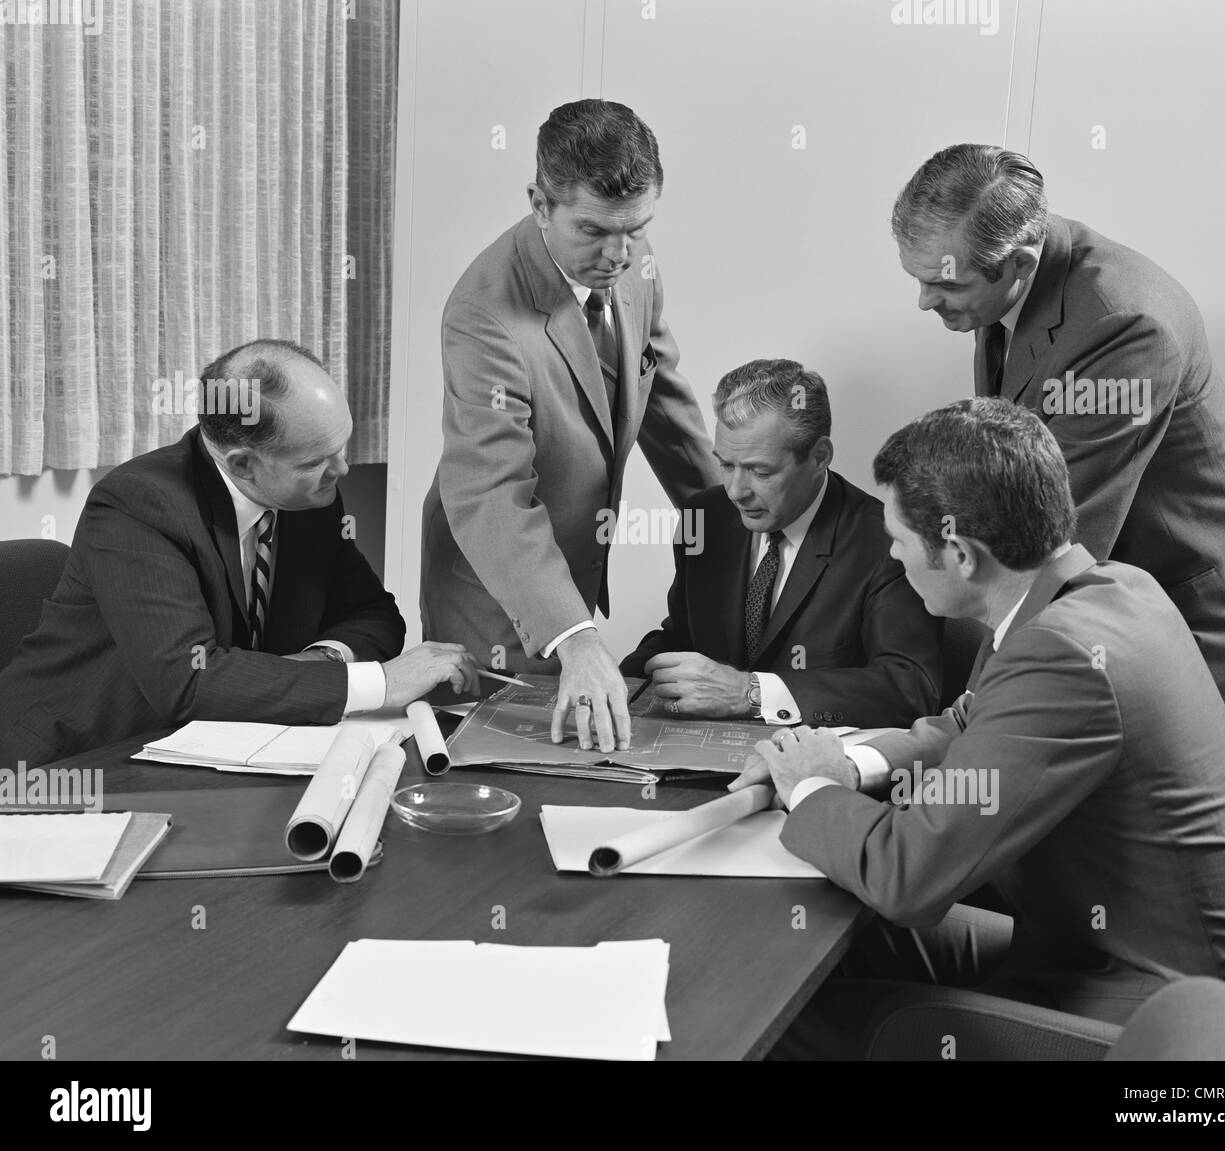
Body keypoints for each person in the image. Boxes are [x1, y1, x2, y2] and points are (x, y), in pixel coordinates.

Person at [732, 398, 1225, 1057]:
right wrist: (846, 765)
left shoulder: (1064, 659)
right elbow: (967, 722)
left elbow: (908, 876)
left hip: (1150, 1022)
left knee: (770, 1018)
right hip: (1099, 953)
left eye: (898, 542)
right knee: (820, 945)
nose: (891, 558)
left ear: (961, 554)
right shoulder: (1099, 591)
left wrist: (811, 791)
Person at [891, 143, 1225, 708]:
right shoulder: (1000, 270)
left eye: (947, 286)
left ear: (1020, 263)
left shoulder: (1125, 327)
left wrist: (975, 712)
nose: (924, 301)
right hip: (1111, 588)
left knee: (1106, 782)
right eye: (921, 278)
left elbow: (1052, 535)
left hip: (1191, 608)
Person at [0, 339, 478, 769]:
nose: (343, 468)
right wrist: (382, 683)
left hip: (211, 746)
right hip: (72, 761)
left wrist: (322, 661)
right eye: (316, 461)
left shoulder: (308, 498)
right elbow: (189, 681)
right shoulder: (139, 504)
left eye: (342, 446)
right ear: (243, 464)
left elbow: (375, 615)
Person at [421, 99, 718, 755]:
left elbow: (659, 392)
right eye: (593, 231)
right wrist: (574, 635)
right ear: (539, 201)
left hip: (574, 572)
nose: (618, 254)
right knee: (507, 771)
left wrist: (736, 517)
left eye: (636, 228)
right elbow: (492, 492)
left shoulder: (631, 257)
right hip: (498, 594)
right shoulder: (484, 314)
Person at [621, 358, 941, 729]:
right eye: (726, 465)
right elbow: (683, 634)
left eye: (759, 471)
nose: (736, 491)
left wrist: (751, 692)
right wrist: (618, 677)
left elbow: (910, 689)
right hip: (702, 756)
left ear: (819, 456)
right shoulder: (704, 516)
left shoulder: (888, 542)